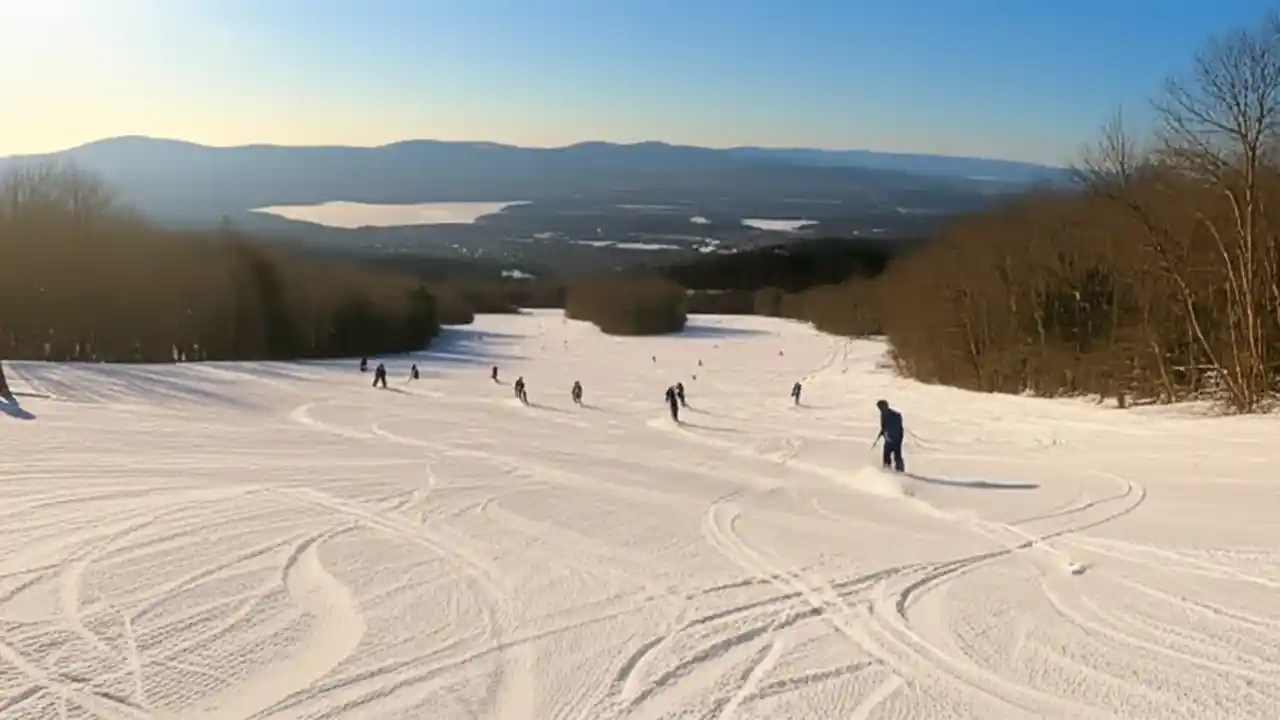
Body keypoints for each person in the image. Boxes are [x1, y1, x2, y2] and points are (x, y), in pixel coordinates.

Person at [875, 399, 905, 472]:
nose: (880, 409)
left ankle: (899, 470)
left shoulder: (895, 415)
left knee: (896, 454)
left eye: (881, 407)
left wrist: (892, 437)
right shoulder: (883, 414)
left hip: (896, 438)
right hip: (889, 438)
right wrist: (883, 432)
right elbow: (884, 426)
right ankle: (887, 469)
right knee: (886, 454)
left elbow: (897, 428)